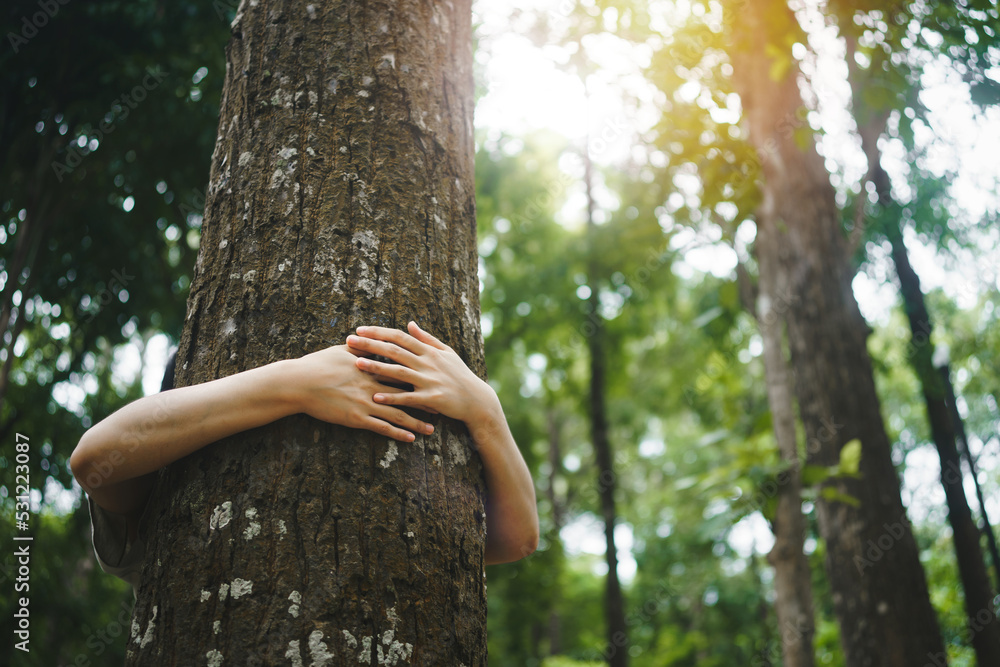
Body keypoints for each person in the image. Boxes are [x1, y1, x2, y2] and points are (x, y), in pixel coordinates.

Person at [70, 321, 539, 594]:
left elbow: (517, 540)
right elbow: (93, 459)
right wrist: (296, 383)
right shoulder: (151, 513)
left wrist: (486, 410)